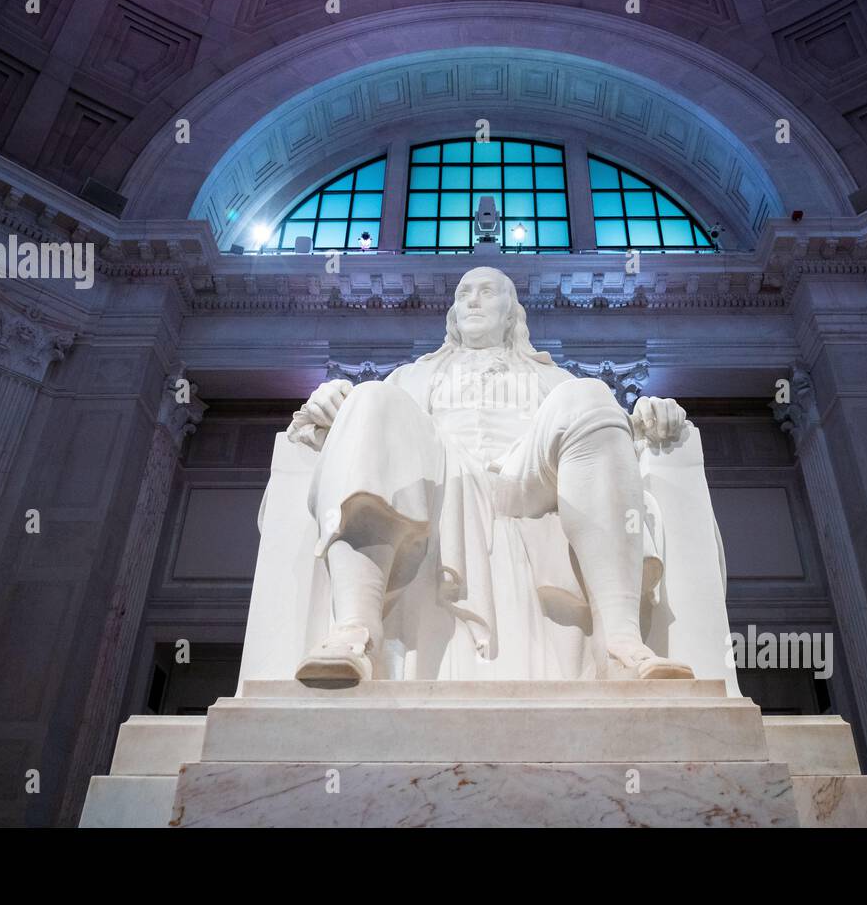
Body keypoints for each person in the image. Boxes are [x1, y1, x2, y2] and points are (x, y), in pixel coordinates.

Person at [287, 266, 693, 681]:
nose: (473, 301)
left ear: (511, 313)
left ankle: (620, 643)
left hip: (526, 477)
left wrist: (647, 419)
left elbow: (603, 448)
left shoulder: (553, 378)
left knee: (590, 394)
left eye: (487, 292)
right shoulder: (410, 376)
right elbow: (368, 435)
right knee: (369, 396)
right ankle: (356, 629)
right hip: (442, 473)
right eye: (463, 294)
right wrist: (324, 408)